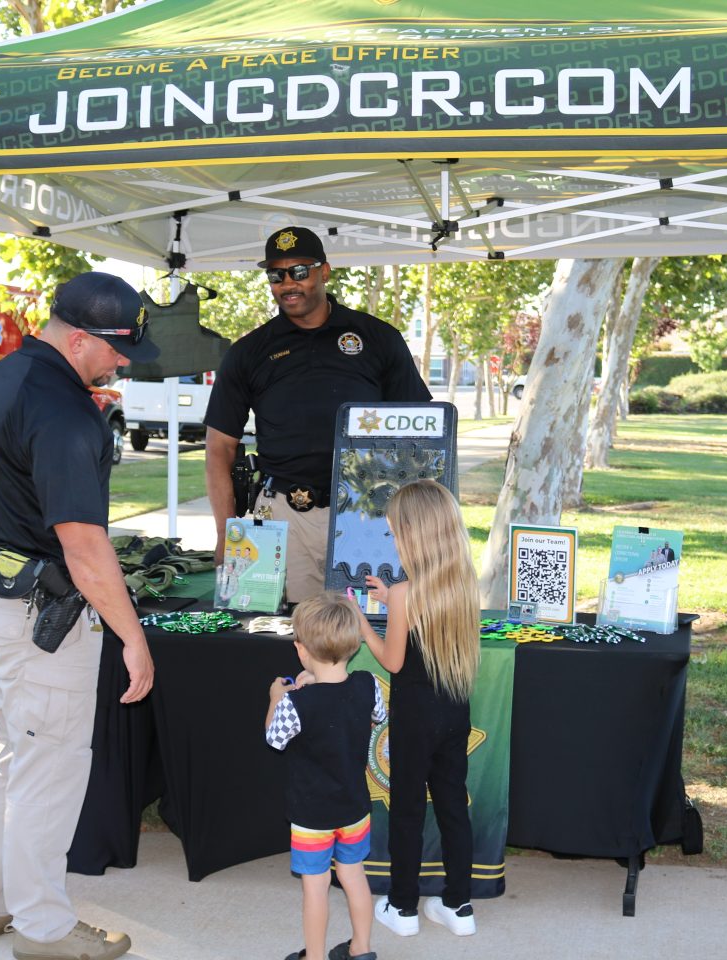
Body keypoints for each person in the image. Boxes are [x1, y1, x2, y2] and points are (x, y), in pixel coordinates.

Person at [0, 271, 158, 960]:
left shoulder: (6, 376)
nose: (124, 364)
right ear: (79, 339)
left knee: (16, 760)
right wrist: (134, 638)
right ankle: (43, 928)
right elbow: (84, 543)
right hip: (38, 620)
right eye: (116, 350)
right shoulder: (65, 412)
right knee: (48, 770)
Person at [204, 225, 431, 603]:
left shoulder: (377, 338)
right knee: (296, 635)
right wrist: (226, 533)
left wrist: (416, 523)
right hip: (286, 517)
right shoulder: (249, 352)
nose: (287, 283)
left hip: (369, 517)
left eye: (299, 271)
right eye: (276, 275)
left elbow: (422, 435)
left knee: (373, 630)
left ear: (324, 272)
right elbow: (219, 449)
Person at [356, 479, 480, 940]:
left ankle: (403, 907)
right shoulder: (462, 582)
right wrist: (393, 598)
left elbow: (392, 661)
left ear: (414, 534)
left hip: (413, 720)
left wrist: (366, 623)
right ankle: (458, 905)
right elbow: (426, 619)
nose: (394, 540)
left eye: (394, 533)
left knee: (407, 810)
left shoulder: (408, 592)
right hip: (454, 713)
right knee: (453, 808)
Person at [266, 592, 387, 960]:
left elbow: (274, 738)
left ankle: (315, 957)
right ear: (353, 645)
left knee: (315, 888)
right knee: (354, 877)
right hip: (353, 809)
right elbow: (376, 717)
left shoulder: (294, 703)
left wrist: (275, 697)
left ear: (301, 651)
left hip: (311, 817)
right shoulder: (368, 684)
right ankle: (361, 949)